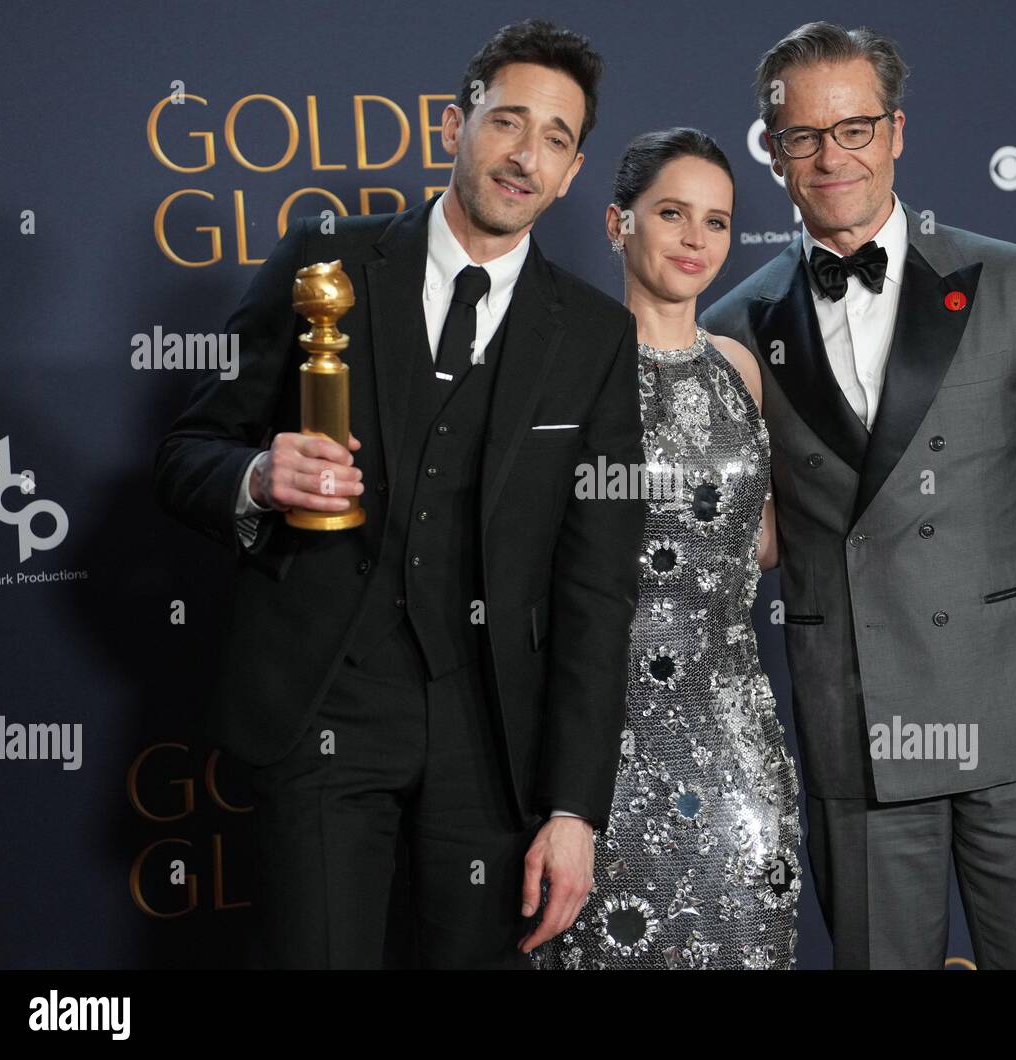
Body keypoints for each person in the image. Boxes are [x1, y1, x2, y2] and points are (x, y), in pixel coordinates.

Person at [152, 19, 647, 969]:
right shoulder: (325, 265)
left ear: (575, 172)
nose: (525, 156)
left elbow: (596, 589)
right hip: (327, 705)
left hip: (492, 735)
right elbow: (187, 451)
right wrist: (259, 477)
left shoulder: (592, 335)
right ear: (457, 124)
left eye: (554, 139)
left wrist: (577, 806)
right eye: (509, 122)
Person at [700, 22, 1016, 969]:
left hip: (1014, 716)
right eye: (802, 137)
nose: (832, 157)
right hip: (851, 725)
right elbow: (741, 532)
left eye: (854, 128)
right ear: (773, 151)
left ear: (897, 133)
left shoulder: (1015, 283)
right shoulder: (732, 325)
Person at [531, 129, 801, 971]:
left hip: (736, 736)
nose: (695, 240)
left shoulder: (739, 369)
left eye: (716, 222)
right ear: (619, 223)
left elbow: (755, 544)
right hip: (603, 744)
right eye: (672, 214)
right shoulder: (564, 368)